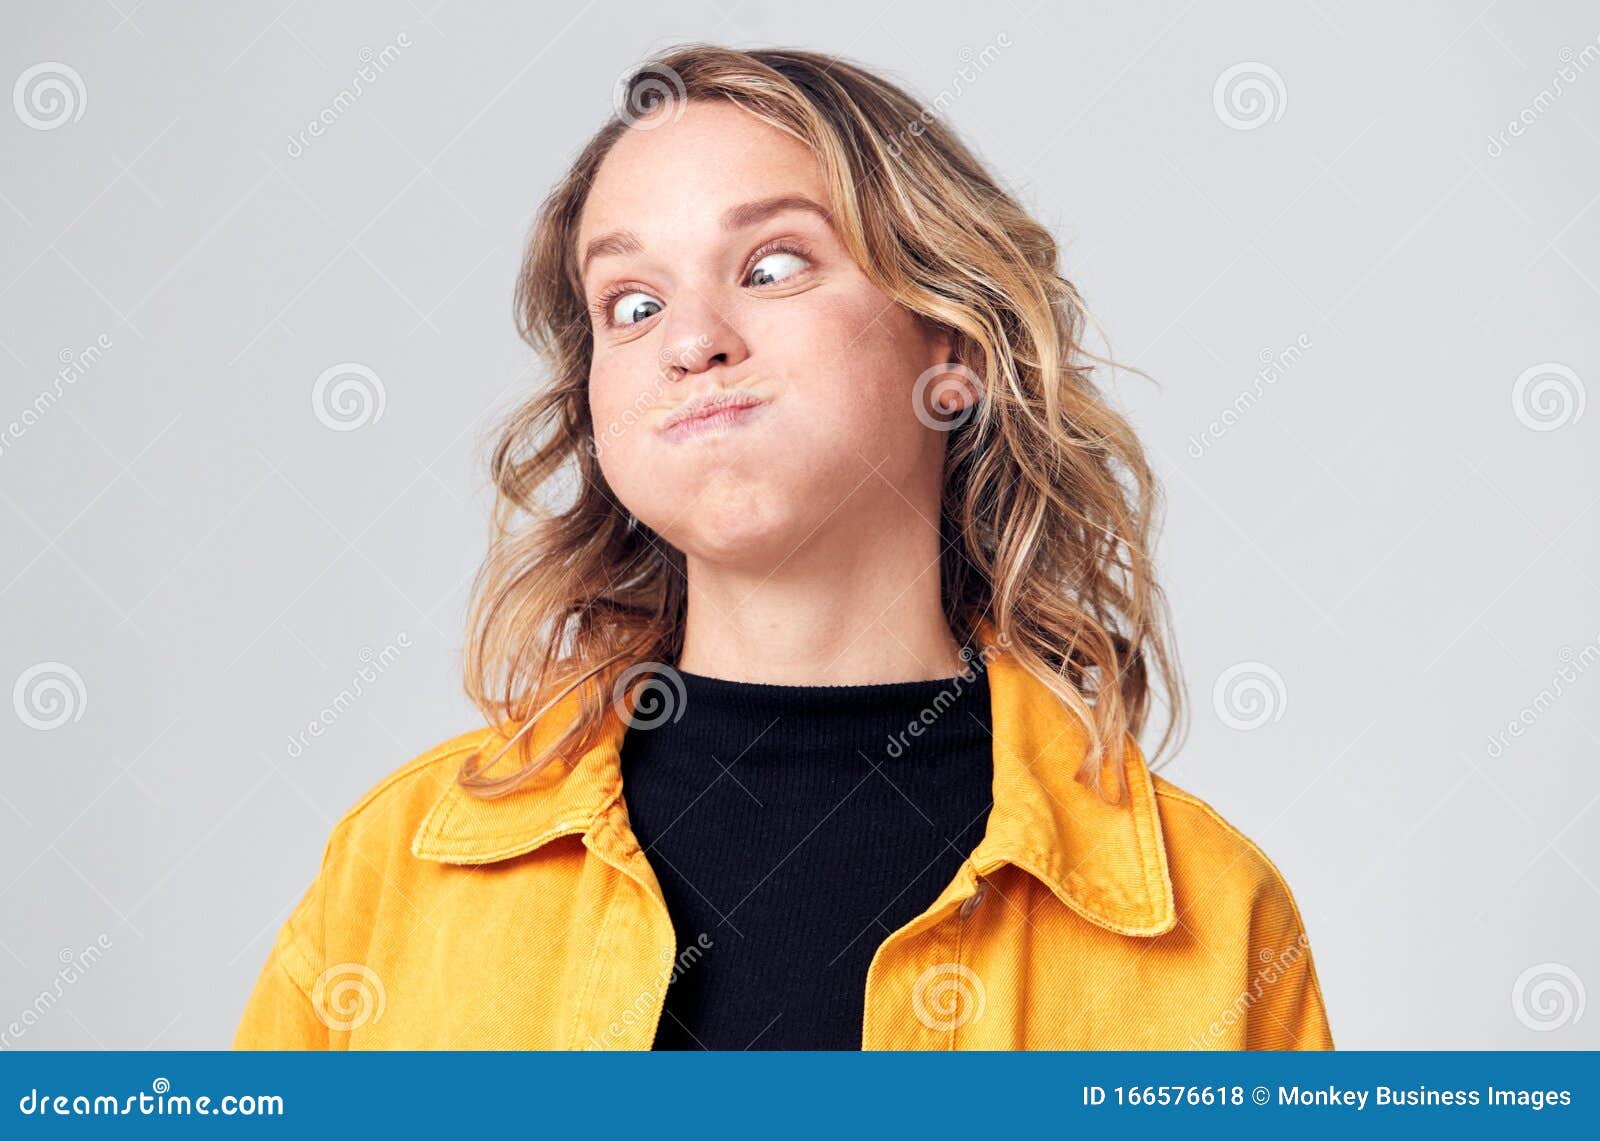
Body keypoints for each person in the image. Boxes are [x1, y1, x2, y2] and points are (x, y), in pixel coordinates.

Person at [234, 44, 1333, 1051]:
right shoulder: (394, 870)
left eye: (770, 267)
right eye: (630, 302)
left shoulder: (1212, 918)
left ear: (946, 338)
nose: (693, 341)